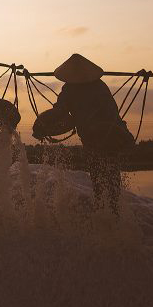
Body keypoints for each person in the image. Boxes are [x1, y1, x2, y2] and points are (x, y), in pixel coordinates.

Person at [49, 54, 129, 212]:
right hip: (98, 138)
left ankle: (107, 212)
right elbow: (60, 111)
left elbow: (59, 111)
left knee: (101, 178)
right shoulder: (96, 86)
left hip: (102, 138)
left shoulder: (72, 88)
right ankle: (111, 214)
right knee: (107, 179)